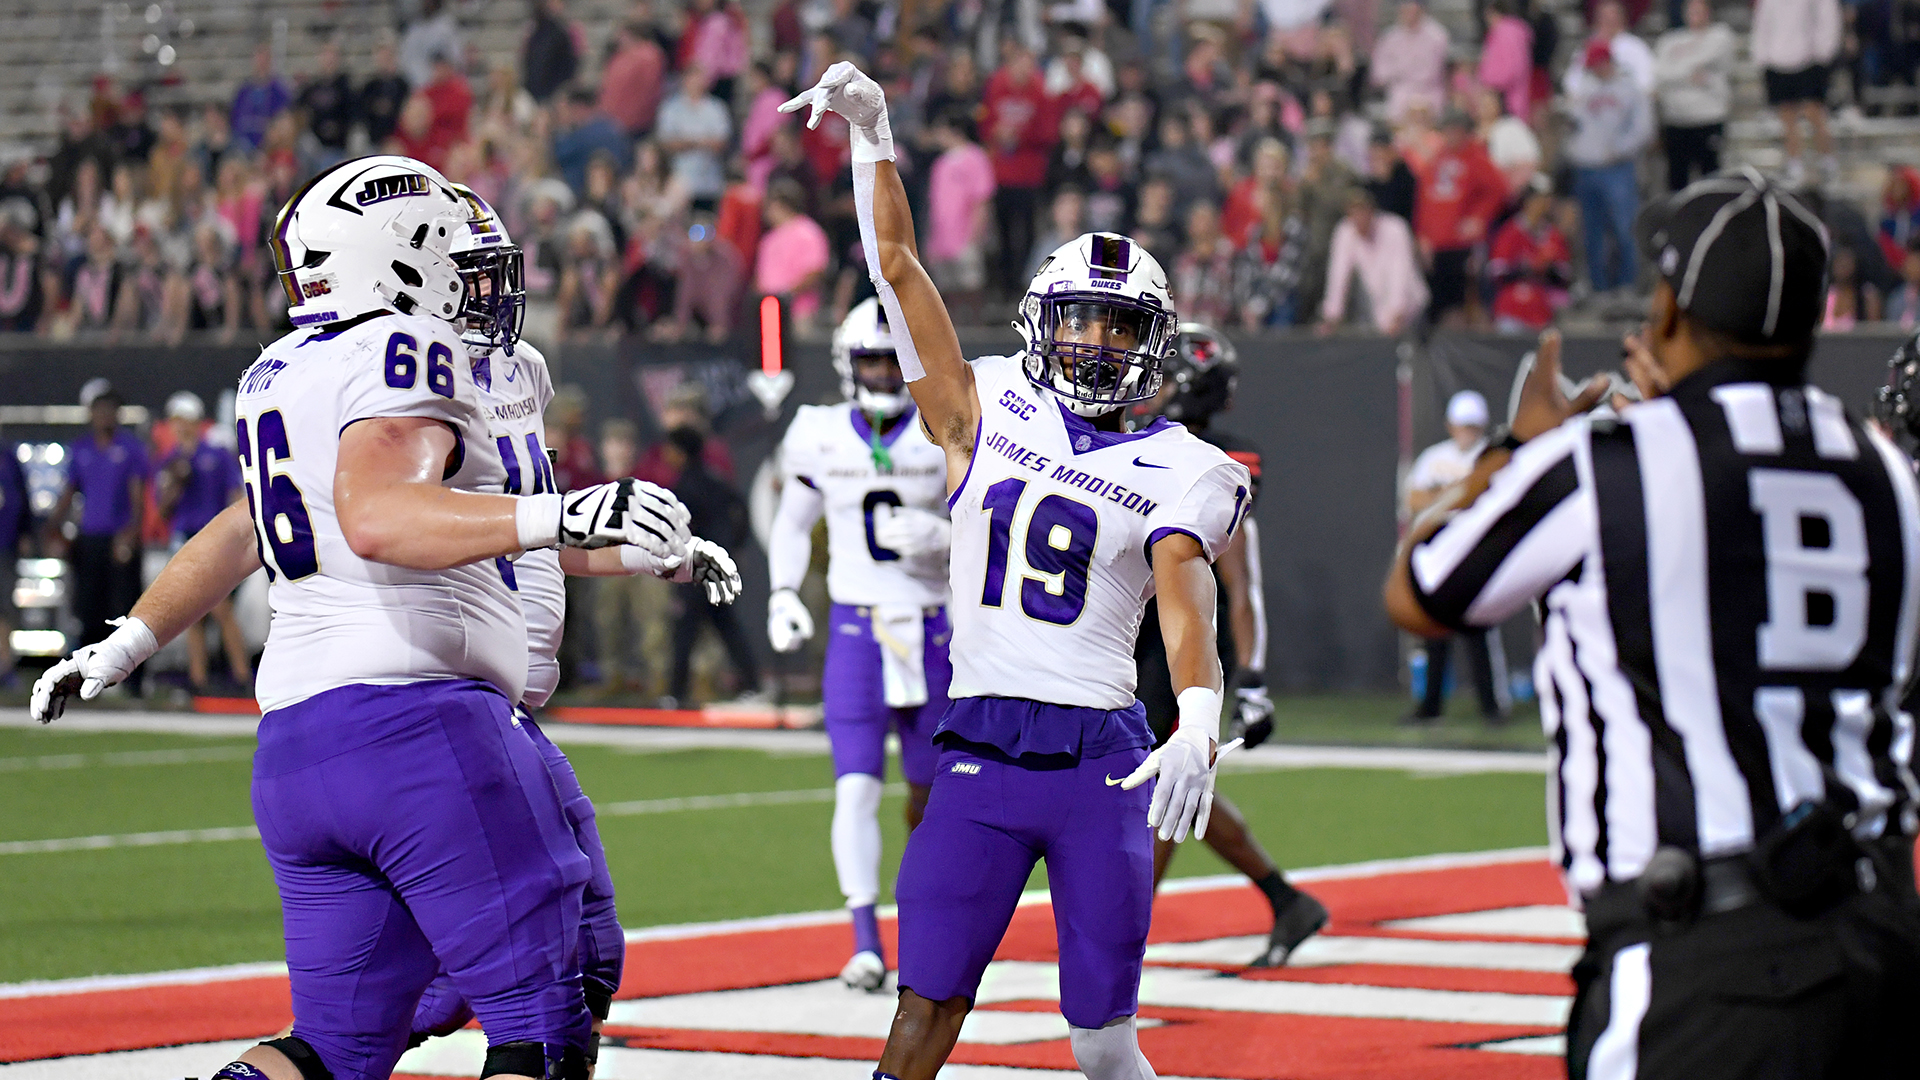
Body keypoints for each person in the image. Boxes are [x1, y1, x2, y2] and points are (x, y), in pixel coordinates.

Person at [29, 155, 705, 1080]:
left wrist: (126, 642)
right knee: (546, 1019)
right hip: (421, 727)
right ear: (395, 261)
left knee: (335, 1051)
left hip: (300, 749)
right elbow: (380, 517)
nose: (477, 279)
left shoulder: (282, 369)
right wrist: (560, 512)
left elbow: (246, 529)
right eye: (453, 255)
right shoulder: (408, 353)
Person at [1387, 168, 1920, 1079]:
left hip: (1705, 964)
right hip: (1880, 940)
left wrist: (1517, 452)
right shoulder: (1881, 468)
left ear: (1670, 310)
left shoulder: (1609, 459)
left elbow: (1423, 591)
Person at [782, 63, 1253, 1080]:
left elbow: (1185, 591)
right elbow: (899, 268)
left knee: (1101, 1043)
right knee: (925, 1006)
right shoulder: (985, 405)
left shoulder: (1185, 464)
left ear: (1151, 343)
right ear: (1046, 319)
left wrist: (1203, 713)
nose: (1096, 341)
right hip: (981, 747)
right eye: (1083, 317)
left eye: (1121, 325)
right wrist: (876, 136)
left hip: (1101, 759)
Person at [408, 184, 740, 1054]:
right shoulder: (404, 396)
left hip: (514, 701)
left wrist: (662, 554)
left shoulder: (523, 372)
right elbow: (439, 531)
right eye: (470, 278)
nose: (494, 294)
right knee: (560, 965)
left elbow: (543, 532)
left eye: (494, 275)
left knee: (563, 965)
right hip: (464, 700)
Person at [766, 298, 953, 991]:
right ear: (849, 364)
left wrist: (947, 536)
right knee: (856, 789)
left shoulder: (945, 426)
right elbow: (790, 523)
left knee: (934, 795)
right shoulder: (820, 434)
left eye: (889, 360)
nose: (879, 373)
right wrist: (783, 592)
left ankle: (928, 921)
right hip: (856, 628)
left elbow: (992, 522)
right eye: (869, 359)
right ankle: (866, 941)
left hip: (934, 626)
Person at [1131, 325, 1328, 967]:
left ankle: (1127, 926)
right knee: (1176, 786)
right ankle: (1284, 900)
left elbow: (1242, 582)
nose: (1149, 387)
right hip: (1146, 638)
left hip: (1184, 645)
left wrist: (1254, 678)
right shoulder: (1146, 442)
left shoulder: (1222, 463)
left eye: (1164, 376)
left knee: (1164, 783)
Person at [1400, 390, 1509, 725]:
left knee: (1480, 630)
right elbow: (1415, 499)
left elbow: (1493, 501)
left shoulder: (1492, 456)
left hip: (1476, 552)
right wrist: (1458, 494)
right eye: (1463, 425)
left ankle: (1491, 706)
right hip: (1439, 552)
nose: (1467, 432)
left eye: (1473, 426)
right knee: (1433, 631)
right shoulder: (1434, 458)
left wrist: (1444, 496)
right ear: (1450, 425)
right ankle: (1430, 707)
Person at [46, 379, 148, 693]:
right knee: (88, 609)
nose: (105, 415)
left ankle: (132, 684)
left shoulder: (130, 448)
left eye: (110, 409)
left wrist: (130, 535)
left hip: (119, 540)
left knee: (124, 612)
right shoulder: (82, 448)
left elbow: (138, 497)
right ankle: (88, 679)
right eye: (99, 409)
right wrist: (53, 528)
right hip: (90, 539)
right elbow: (69, 491)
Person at [154, 391, 252, 693]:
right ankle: (200, 678)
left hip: (212, 539)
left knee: (220, 608)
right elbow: (163, 509)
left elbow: (235, 496)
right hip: (184, 538)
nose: (180, 427)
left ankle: (241, 676)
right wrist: (177, 481)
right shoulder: (170, 461)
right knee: (191, 614)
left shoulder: (215, 455)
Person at [663, 426, 761, 706]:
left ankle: (675, 693)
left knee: (686, 630)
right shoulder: (714, 479)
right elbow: (740, 506)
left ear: (681, 452)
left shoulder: (684, 487)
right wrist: (737, 544)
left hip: (695, 567)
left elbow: (680, 530)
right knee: (726, 626)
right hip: (716, 565)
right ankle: (752, 684)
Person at [1565, 41, 1654, 297]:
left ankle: (1628, 284)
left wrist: (1620, 149)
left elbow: (1643, 128)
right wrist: (1575, 151)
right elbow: (1574, 126)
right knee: (1591, 232)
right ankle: (1598, 285)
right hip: (1586, 168)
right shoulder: (1583, 88)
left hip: (1619, 168)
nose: (1594, 70)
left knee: (1625, 227)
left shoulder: (1630, 89)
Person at [1414, 110, 1506, 327]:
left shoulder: (1477, 159)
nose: (1450, 135)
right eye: (1446, 130)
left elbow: (1498, 191)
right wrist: (1423, 234)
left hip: (1463, 244)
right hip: (1437, 246)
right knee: (1440, 303)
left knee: (1468, 301)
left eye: (1455, 130)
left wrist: (1479, 218)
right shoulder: (1436, 160)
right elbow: (1424, 201)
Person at [1753, 0, 1842, 189]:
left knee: (1814, 113)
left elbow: (1828, 19)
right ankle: (1794, 164)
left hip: (1809, 61)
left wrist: (1823, 52)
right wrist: (1763, 57)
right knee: (1787, 118)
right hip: (1778, 62)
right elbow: (1762, 25)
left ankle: (1827, 161)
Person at [1319, 186, 1429, 335]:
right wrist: (1331, 315)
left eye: (1363, 210)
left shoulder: (1395, 228)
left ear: (1372, 211)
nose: (1359, 217)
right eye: (1354, 212)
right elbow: (1338, 274)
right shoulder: (1345, 232)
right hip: (1380, 308)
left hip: (1411, 305)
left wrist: (1397, 312)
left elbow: (1400, 272)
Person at [1653, 0, 1733, 193]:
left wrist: (1676, 73)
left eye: (1700, 10)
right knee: (1676, 179)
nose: (1695, 15)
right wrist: (1689, 74)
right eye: (1691, 10)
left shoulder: (1720, 35)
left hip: (1709, 119)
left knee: (1712, 178)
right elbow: (1659, 74)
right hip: (1676, 120)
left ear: (1709, 12)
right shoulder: (1669, 40)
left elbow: (1709, 59)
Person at [1486, 174, 1572, 332]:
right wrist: (1526, 268)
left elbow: (1565, 275)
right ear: (1527, 201)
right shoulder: (1510, 232)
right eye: (1538, 199)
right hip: (1513, 309)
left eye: (1546, 199)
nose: (1543, 204)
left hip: (1543, 311)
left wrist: (1547, 268)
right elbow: (1496, 272)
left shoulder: (1552, 235)